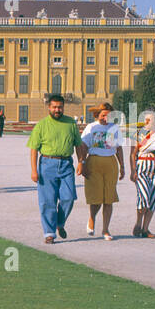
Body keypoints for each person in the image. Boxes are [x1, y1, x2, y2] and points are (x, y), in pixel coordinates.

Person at [27, 93, 87, 244]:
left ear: (63, 107)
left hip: (66, 164)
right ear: (49, 107)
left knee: (68, 198)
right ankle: (49, 233)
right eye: (54, 107)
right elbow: (34, 150)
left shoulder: (70, 124)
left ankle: (60, 223)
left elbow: (78, 144)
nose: (57, 110)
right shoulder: (41, 125)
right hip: (47, 164)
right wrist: (34, 170)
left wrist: (81, 162)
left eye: (60, 107)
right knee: (48, 202)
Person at [79, 102, 126, 239]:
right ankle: (92, 218)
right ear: (97, 115)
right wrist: (82, 163)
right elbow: (83, 146)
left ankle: (105, 229)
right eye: (103, 115)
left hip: (110, 163)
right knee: (96, 198)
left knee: (108, 199)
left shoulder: (114, 128)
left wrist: (122, 166)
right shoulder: (91, 127)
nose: (106, 118)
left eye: (109, 115)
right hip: (94, 162)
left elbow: (119, 148)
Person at [129, 106, 155, 238]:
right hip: (142, 167)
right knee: (144, 197)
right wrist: (133, 171)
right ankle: (138, 223)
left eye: (151, 119)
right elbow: (133, 154)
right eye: (146, 119)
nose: (148, 121)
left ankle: (145, 229)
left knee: (152, 199)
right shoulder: (139, 134)